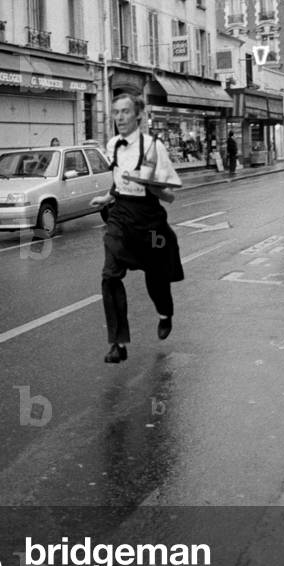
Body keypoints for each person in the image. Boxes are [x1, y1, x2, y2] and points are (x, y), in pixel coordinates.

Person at [91, 93, 184, 364]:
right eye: (116, 112)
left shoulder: (155, 147)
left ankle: (165, 313)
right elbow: (119, 180)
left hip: (150, 221)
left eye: (125, 112)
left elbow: (170, 195)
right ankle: (118, 343)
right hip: (120, 216)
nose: (119, 118)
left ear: (138, 116)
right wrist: (108, 197)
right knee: (110, 275)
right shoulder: (112, 145)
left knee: (156, 276)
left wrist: (150, 184)